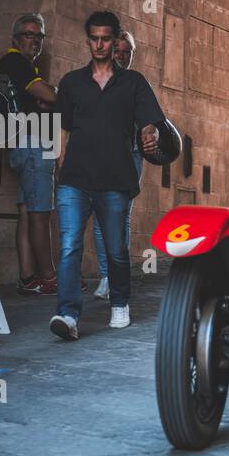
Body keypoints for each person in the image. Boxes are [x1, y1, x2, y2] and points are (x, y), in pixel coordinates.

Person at [49, 11, 163, 341]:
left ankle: (120, 302)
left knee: (115, 248)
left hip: (115, 180)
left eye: (105, 39)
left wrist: (149, 134)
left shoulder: (134, 83)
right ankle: (68, 314)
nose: (99, 44)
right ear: (88, 40)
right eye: (94, 38)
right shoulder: (71, 83)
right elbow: (64, 129)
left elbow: (149, 122)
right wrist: (60, 166)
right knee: (70, 245)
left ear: (115, 42)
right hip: (75, 179)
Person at [0, 13, 60, 293]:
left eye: (39, 36)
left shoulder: (20, 66)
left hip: (19, 144)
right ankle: (49, 277)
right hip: (32, 144)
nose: (34, 40)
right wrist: (55, 93)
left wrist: (44, 95)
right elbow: (49, 96)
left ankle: (27, 278)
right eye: (28, 34)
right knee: (40, 212)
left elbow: (40, 97)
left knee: (25, 211)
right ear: (15, 38)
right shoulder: (15, 61)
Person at [89, 29, 144, 300]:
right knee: (101, 219)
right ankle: (106, 276)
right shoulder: (98, 80)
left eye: (127, 52)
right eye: (118, 51)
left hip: (131, 156)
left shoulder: (135, 82)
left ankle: (118, 275)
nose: (122, 56)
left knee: (121, 215)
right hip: (101, 156)